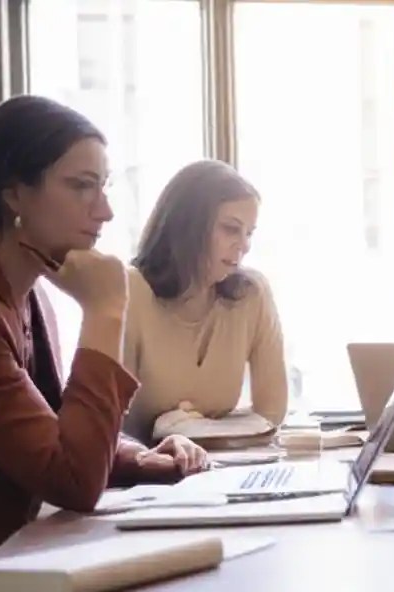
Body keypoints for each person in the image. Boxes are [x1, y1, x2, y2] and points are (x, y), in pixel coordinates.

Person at [0, 95, 205, 592]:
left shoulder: (22, 286)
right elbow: (71, 479)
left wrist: (141, 458)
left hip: (1, 577)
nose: (104, 211)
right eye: (82, 186)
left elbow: (49, 431)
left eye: (104, 187)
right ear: (13, 193)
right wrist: (105, 311)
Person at [123, 160, 287, 442]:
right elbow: (109, 423)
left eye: (249, 233)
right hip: (141, 465)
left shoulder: (252, 295)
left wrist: (200, 430)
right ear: (188, 225)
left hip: (218, 463)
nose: (244, 245)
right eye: (231, 229)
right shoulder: (131, 290)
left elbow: (271, 414)